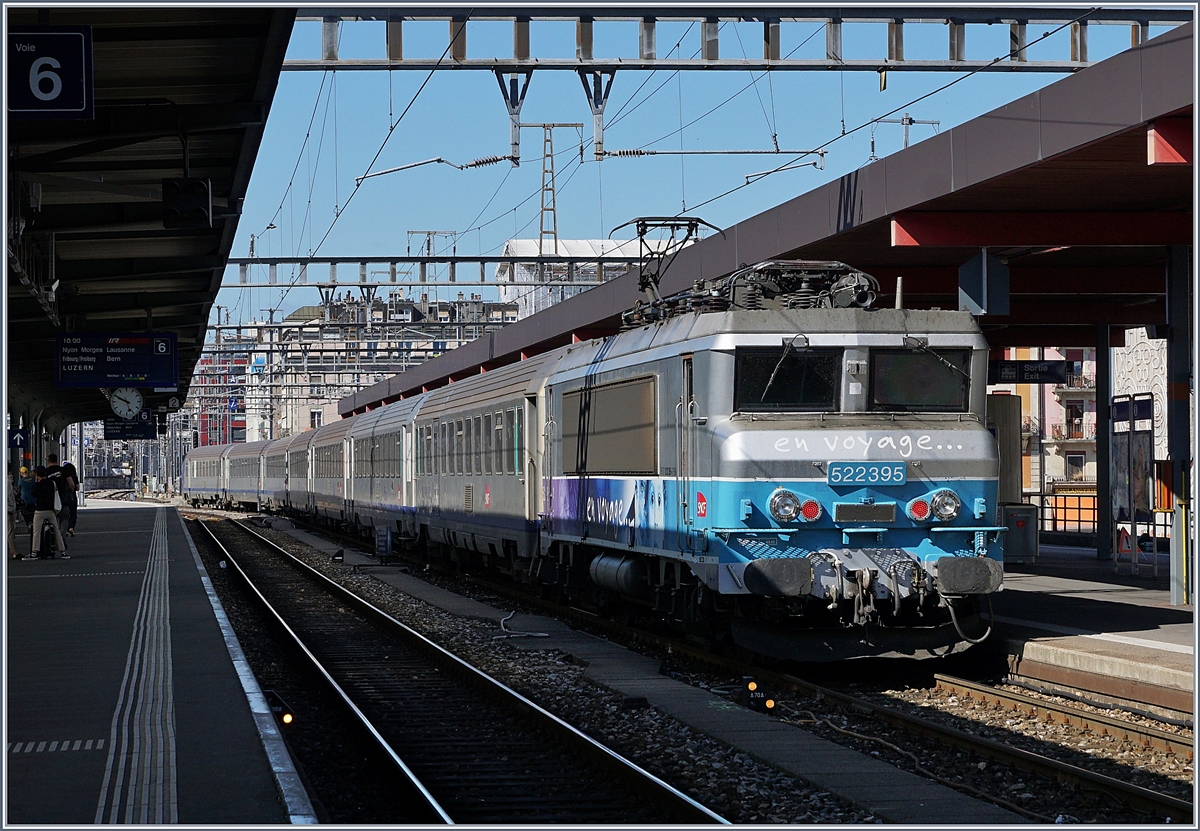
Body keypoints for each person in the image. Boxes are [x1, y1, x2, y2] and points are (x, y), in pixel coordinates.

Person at [29, 466, 68, 559]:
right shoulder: (52, 483)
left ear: (37, 475)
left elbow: (33, 494)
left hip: (39, 511)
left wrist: (36, 482)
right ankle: (63, 551)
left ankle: (34, 552)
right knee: (56, 530)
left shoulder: (38, 484)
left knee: (36, 532)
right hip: (51, 511)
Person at [59, 456, 80, 536]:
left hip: (63, 496)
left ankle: (64, 529)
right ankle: (71, 528)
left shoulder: (63, 476)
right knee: (73, 513)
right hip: (72, 496)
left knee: (64, 513)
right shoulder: (74, 476)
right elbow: (77, 487)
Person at [7, 472, 19, 560]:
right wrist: (12, 506)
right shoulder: (7, 481)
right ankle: (14, 552)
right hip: (7, 510)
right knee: (10, 532)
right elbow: (7, 496)